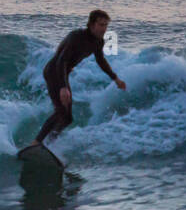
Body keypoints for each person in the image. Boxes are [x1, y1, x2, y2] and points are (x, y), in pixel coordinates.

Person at [31, 9, 126, 146]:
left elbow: (101, 61)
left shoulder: (98, 41)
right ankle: (36, 143)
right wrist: (63, 87)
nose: (104, 29)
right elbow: (61, 61)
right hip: (54, 71)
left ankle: (49, 143)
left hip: (63, 74)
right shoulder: (76, 37)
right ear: (92, 24)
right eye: (101, 25)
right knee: (61, 111)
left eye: (106, 25)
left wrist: (116, 79)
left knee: (68, 118)